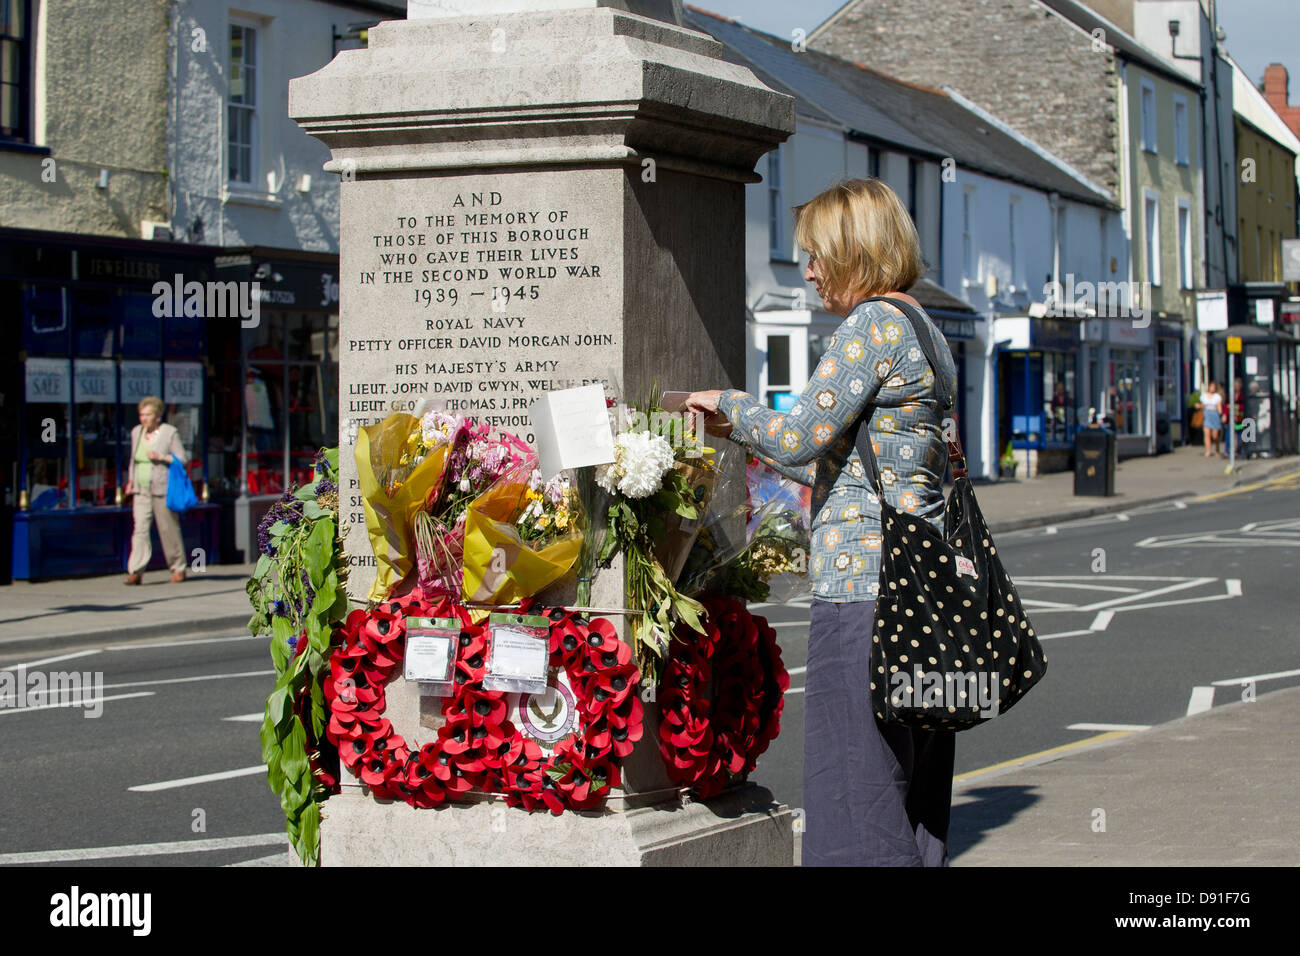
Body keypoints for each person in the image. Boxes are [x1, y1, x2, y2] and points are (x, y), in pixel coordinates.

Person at [685, 178, 958, 866]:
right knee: (910, 788)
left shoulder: (873, 324)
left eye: (817, 255)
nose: (806, 270)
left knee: (853, 785)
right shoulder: (926, 329)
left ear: (856, 253)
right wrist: (748, 435)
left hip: (866, 589)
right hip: (922, 590)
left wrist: (732, 404)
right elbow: (859, 469)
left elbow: (802, 435)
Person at [123, 396, 189, 584]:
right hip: (141, 489)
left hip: (162, 488)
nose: (143, 418)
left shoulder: (169, 433)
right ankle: (136, 570)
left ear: (158, 416)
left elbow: (182, 458)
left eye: (148, 415)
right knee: (140, 529)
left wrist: (161, 456)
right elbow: (133, 460)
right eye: (141, 415)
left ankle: (178, 567)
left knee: (168, 528)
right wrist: (130, 481)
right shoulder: (137, 432)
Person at [1200, 381, 1223, 458]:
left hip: (1214, 415)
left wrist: (1221, 414)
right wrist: (1198, 406)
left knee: (1215, 436)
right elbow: (1202, 406)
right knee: (1207, 434)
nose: (1212, 388)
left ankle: (1217, 448)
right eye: (1211, 387)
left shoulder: (1217, 396)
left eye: (1214, 387)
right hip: (1207, 415)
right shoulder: (1204, 396)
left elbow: (1219, 408)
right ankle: (1208, 451)